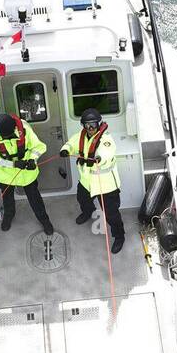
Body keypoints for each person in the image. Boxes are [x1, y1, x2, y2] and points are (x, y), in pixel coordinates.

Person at [60, 107, 124, 254]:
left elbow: (106, 152)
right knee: (82, 199)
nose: (90, 128)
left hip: (105, 185)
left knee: (111, 213)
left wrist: (99, 158)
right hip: (86, 182)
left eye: (93, 125)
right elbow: (71, 144)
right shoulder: (80, 136)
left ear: (98, 124)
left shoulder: (106, 139)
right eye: (86, 125)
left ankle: (119, 236)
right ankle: (87, 212)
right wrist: (65, 150)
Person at [0, 112, 53, 235]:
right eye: (4, 136)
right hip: (4, 173)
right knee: (7, 196)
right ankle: (8, 216)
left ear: (15, 128)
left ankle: (44, 220)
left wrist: (33, 159)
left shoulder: (25, 129)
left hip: (26, 171)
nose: (6, 138)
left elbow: (39, 147)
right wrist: (13, 164)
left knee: (34, 197)